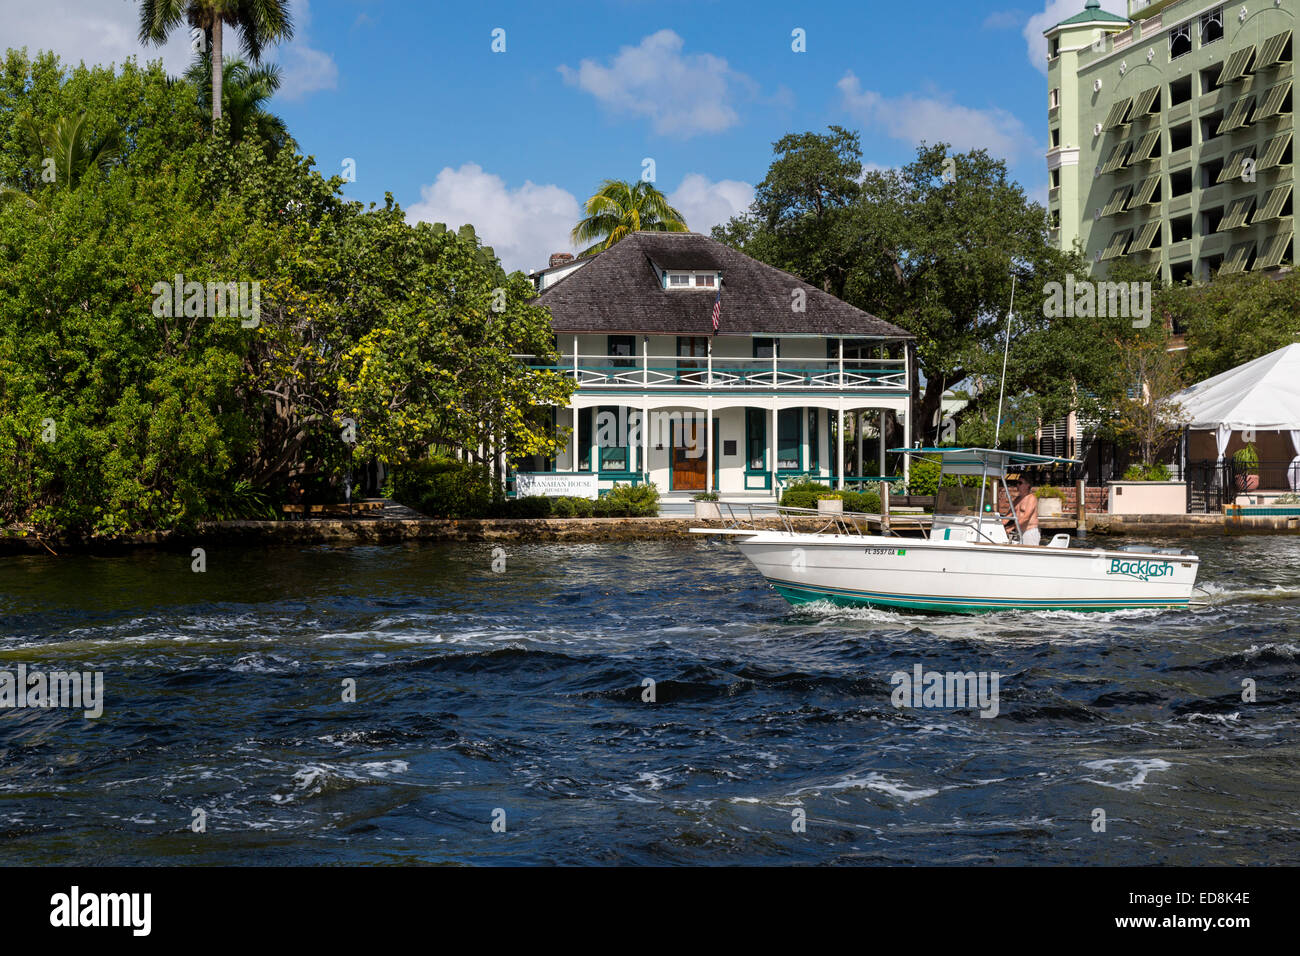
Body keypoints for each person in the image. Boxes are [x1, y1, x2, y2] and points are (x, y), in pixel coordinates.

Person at [1002, 474, 1040, 546]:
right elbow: (1008, 515)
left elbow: (1026, 517)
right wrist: (997, 525)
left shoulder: (1031, 498)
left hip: (1029, 532)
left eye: (1020, 483)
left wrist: (1011, 527)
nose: (1017, 485)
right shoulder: (1017, 499)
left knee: (1029, 556)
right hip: (1019, 532)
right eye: (1017, 483)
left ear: (1027, 485)